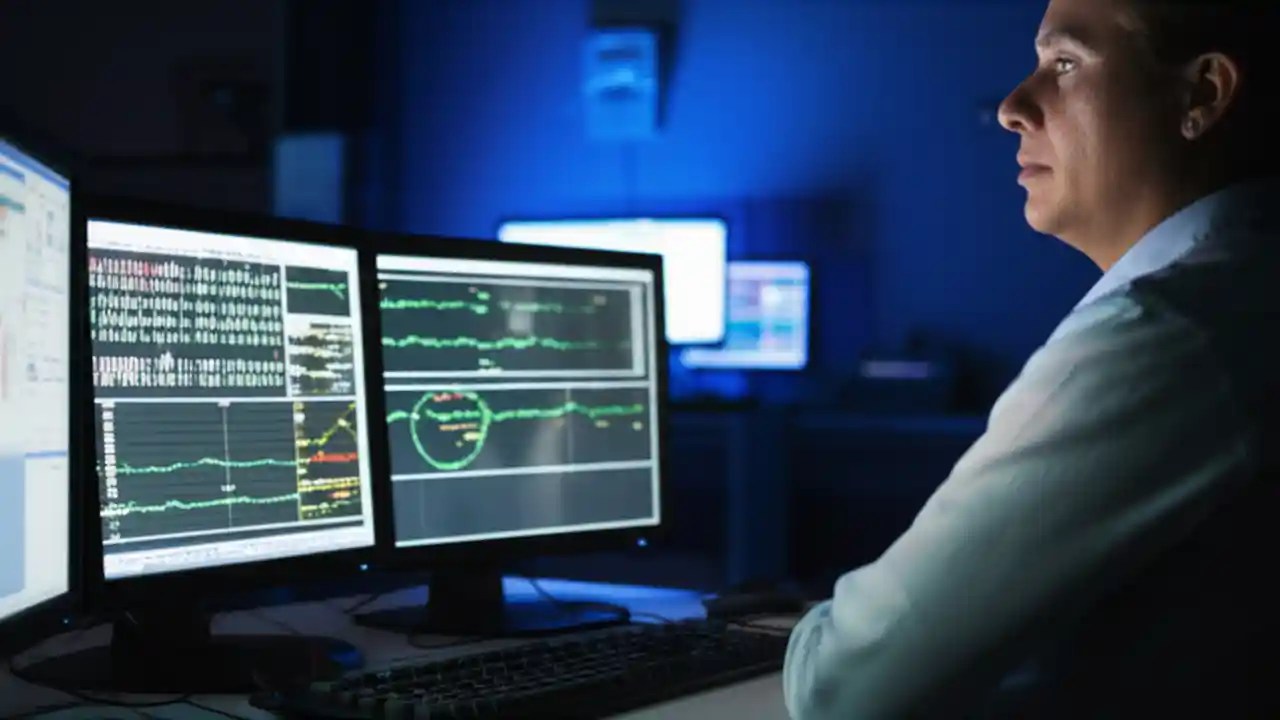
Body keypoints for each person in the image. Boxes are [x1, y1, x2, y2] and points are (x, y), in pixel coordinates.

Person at [783, 0, 1280, 717]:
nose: (1014, 106)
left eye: (1066, 63)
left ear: (1200, 94)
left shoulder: (1170, 332)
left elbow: (844, 691)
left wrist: (788, 629)